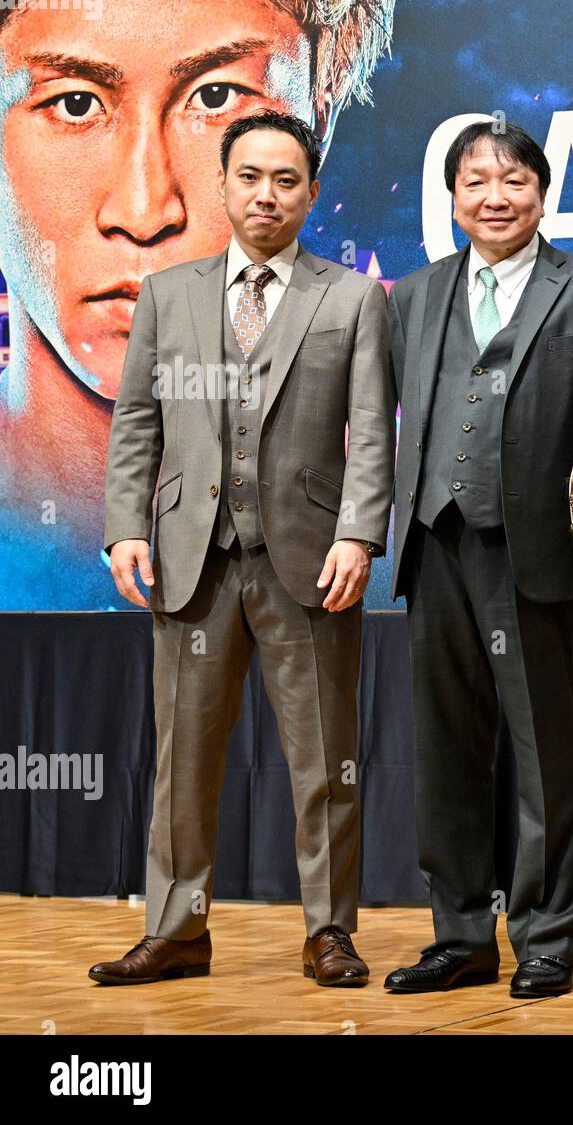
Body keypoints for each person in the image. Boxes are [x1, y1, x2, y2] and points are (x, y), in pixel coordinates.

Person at [90, 111, 395, 987]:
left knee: (325, 760)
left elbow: (371, 431)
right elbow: (137, 421)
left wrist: (358, 534)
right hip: (191, 560)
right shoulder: (168, 293)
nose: (268, 194)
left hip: (310, 561)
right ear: (223, 185)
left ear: (311, 193)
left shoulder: (349, 298)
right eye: (251, 176)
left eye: (287, 180)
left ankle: (329, 932)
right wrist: (123, 525)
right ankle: (177, 930)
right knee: (182, 760)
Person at [0, 0, 396, 608]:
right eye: (74, 103)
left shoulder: (409, 518)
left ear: (323, 108)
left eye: (217, 97)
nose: (144, 210)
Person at [382, 121, 573, 999]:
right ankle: (459, 934)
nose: (496, 197)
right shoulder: (412, 296)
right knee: (446, 749)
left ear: (544, 193)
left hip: (540, 550)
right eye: (477, 181)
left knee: (546, 750)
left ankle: (546, 936)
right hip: (434, 542)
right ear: (451, 197)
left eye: (515, 180)